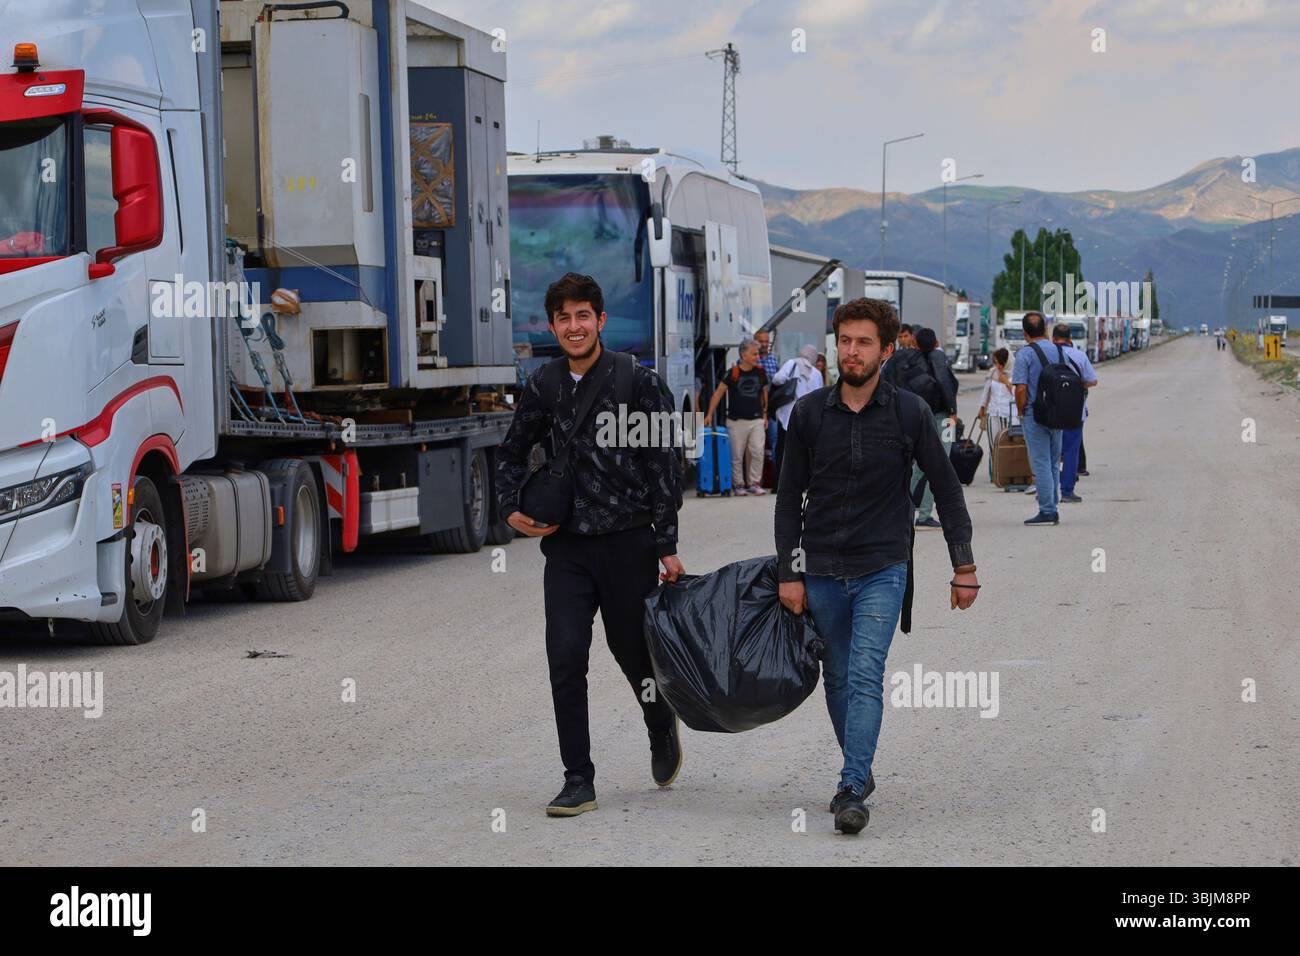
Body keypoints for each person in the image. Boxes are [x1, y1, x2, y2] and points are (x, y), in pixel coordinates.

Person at [775, 297, 979, 835]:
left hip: (883, 567)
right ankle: (859, 771)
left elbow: (946, 486)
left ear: (887, 351)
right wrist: (788, 572)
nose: (852, 351)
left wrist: (964, 565)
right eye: (845, 341)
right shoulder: (810, 413)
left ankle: (850, 784)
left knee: (865, 672)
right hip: (819, 568)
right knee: (837, 677)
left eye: (864, 342)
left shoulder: (909, 412)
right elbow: (787, 496)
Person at [496, 272, 685, 818]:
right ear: (552, 325)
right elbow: (510, 454)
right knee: (564, 658)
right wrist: (511, 508)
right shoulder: (543, 383)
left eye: (584, 316)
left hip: (629, 545)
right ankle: (578, 777)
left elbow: (664, 465)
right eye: (564, 318)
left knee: (632, 655)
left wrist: (666, 543)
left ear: (600, 321)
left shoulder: (637, 381)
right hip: (569, 549)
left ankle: (659, 723)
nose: (574, 326)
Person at [883, 326, 959, 529]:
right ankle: (925, 512)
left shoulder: (902, 359)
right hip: (942, 416)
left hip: (914, 414)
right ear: (935, 343)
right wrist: (953, 410)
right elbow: (947, 384)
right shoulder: (938, 357)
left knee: (918, 465)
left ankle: (899, 509)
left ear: (915, 342)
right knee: (941, 462)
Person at [1012, 312, 1067, 525]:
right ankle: (1053, 502)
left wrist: (1021, 411)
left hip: (1035, 414)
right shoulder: (1059, 351)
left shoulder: (1025, 354)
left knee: (1040, 462)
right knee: (1054, 461)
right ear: (1045, 329)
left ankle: (1047, 510)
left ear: (1025, 333)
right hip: (1058, 413)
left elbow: (1021, 389)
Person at [703, 338, 769, 496]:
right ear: (744, 355)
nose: (757, 357)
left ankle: (754, 482)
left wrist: (765, 414)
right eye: (754, 354)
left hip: (757, 419)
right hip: (736, 421)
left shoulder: (760, 372)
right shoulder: (732, 373)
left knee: (758, 452)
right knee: (736, 455)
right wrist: (709, 414)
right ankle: (738, 484)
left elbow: (765, 394)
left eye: (757, 354)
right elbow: (718, 394)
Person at [1049, 323, 1098, 503]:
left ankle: (1047, 490)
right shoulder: (1079, 355)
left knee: (1050, 452)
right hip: (1074, 412)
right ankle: (1067, 491)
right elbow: (1093, 381)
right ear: (1070, 339)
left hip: (1050, 411)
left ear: (1053, 339)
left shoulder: (1048, 355)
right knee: (1070, 452)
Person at [770, 344, 825, 488]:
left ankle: (780, 484)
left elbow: (777, 379)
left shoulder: (792, 363)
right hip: (808, 419)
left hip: (788, 416)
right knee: (805, 453)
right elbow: (820, 396)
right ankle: (805, 483)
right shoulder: (817, 373)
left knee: (783, 451)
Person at [976, 347, 1015, 481]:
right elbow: (986, 392)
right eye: (995, 363)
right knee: (993, 444)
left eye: (1000, 363)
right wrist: (982, 408)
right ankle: (995, 474)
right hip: (993, 413)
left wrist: (1007, 383)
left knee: (1007, 445)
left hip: (1008, 415)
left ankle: (1007, 473)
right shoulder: (992, 373)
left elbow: (1017, 396)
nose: (997, 366)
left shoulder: (1015, 375)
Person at [755, 329, 781, 470]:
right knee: (755, 447)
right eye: (761, 341)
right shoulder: (749, 359)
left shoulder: (773, 359)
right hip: (754, 409)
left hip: (770, 408)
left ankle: (777, 479)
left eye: (766, 341)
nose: (764, 344)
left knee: (774, 441)